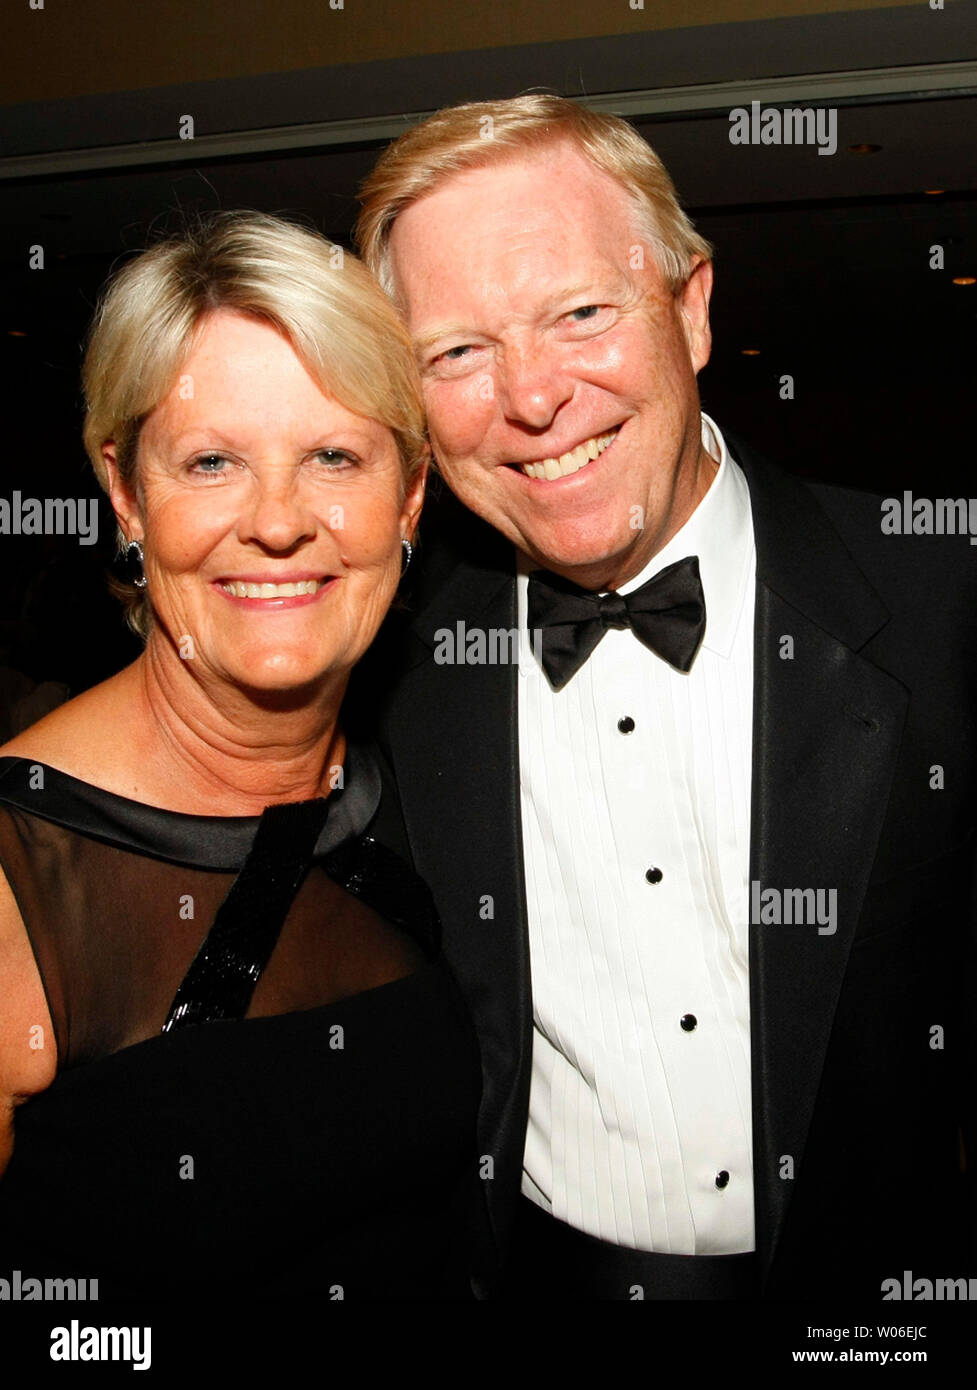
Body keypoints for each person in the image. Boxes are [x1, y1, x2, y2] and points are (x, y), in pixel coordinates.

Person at [354, 94, 977, 1300]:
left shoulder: (941, 600)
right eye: (457, 353)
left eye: (579, 313)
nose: (531, 399)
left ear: (688, 308)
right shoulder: (391, 660)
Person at [0, 211, 482, 1300]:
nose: (277, 521)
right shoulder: (22, 883)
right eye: (211, 460)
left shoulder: (417, 770)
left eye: (334, 457)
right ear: (125, 492)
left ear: (406, 497)